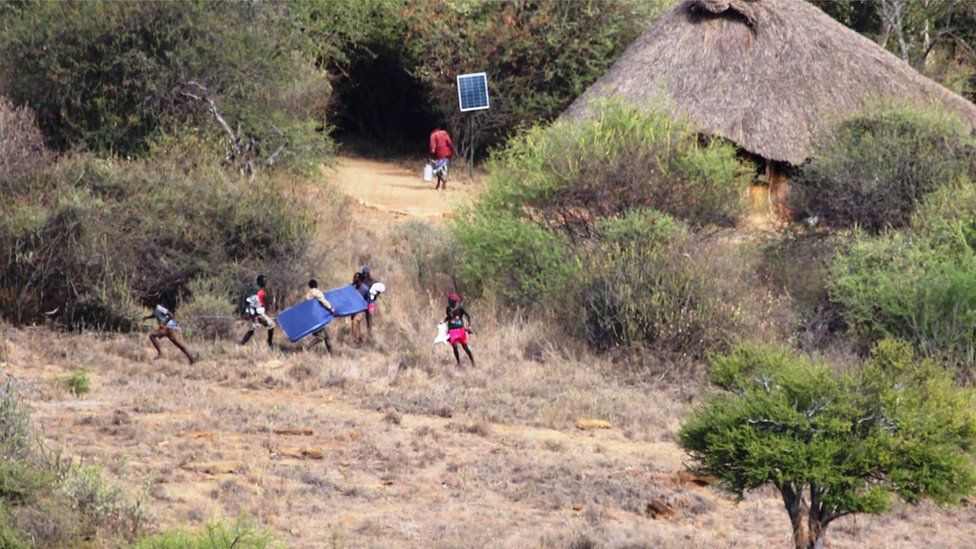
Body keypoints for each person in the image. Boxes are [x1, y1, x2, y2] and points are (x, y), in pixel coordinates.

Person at [240, 274, 275, 347]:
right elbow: (248, 299)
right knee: (271, 325)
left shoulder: (260, 289)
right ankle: (270, 343)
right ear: (260, 281)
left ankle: (242, 343)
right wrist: (251, 311)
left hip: (257, 311)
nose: (265, 282)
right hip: (255, 312)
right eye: (264, 281)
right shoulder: (255, 289)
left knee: (253, 328)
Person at [305, 279, 336, 354]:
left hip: (311, 317)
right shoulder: (316, 292)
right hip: (317, 318)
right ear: (316, 285)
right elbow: (323, 301)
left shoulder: (308, 294)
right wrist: (330, 308)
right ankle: (307, 347)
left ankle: (332, 354)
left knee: (326, 336)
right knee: (321, 336)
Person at [444, 293, 474, 366]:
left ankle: (473, 362)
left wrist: (469, 326)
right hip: (452, 331)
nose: (449, 302)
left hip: (460, 330)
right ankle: (458, 363)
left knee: (465, 347)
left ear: (454, 301)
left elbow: (468, 316)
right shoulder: (448, 308)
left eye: (450, 301)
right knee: (454, 346)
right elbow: (448, 317)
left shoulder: (460, 308)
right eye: (449, 301)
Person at [350, 272, 366, 345]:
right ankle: (360, 340)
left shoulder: (364, 289)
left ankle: (355, 341)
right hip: (353, 308)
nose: (355, 281)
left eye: (357, 280)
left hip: (361, 308)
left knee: (355, 322)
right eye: (354, 279)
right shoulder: (351, 287)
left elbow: (368, 299)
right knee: (357, 324)